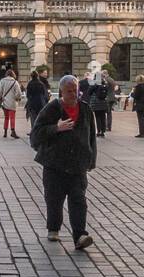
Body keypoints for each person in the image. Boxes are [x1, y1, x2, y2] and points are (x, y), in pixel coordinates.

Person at [31, 74, 98, 251]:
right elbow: (36, 135)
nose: (73, 94)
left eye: (75, 90)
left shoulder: (85, 109)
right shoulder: (52, 108)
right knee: (54, 199)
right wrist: (56, 128)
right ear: (61, 91)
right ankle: (53, 228)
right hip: (55, 164)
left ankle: (80, 235)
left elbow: (91, 137)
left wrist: (91, 159)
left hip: (77, 165)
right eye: (69, 91)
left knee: (78, 200)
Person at [0, 67, 23, 139]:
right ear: (13, 74)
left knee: (6, 118)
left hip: (4, 102)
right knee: (12, 118)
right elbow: (18, 93)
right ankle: (13, 131)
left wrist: (1, 96)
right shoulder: (15, 82)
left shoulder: (2, 81)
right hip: (12, 102)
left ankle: (5, 132)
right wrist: (17, 98)